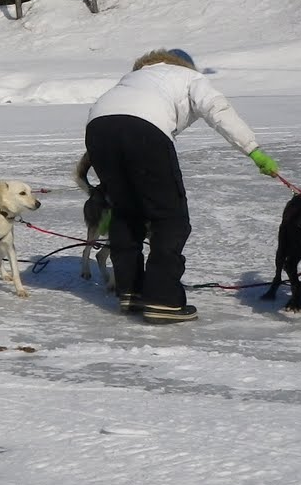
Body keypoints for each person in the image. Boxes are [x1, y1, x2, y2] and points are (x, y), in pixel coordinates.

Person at [83, 48, 278, 324]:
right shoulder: (187, 75)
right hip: (144, 130)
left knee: (126, 212)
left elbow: (116, 115)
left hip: (97, 129)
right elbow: (217, 109)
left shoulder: (133, 78)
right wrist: (254, 151)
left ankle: (131, 291)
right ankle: (163, 300)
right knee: (170, 218)